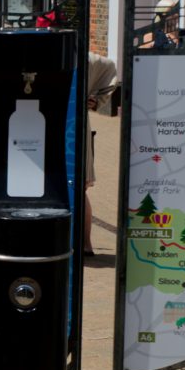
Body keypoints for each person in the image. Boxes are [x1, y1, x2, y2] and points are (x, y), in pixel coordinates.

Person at [83, 51, 119, 255]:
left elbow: (108, 65)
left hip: (74, 127)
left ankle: (86, 244)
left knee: (80, 189)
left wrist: (96, 100)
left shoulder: (84, 57)